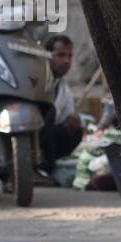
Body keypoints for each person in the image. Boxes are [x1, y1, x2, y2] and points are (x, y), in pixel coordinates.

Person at [40, 35, 84, 176]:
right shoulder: (37, 79)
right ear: (47, 56)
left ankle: (47, 167)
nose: (66, 61)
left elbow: (68, 115)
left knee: (76, 132)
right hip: (29, 135)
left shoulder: (63, 88)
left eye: (69, 56)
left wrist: (73, 122)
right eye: (60, 55)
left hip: (47, 138)